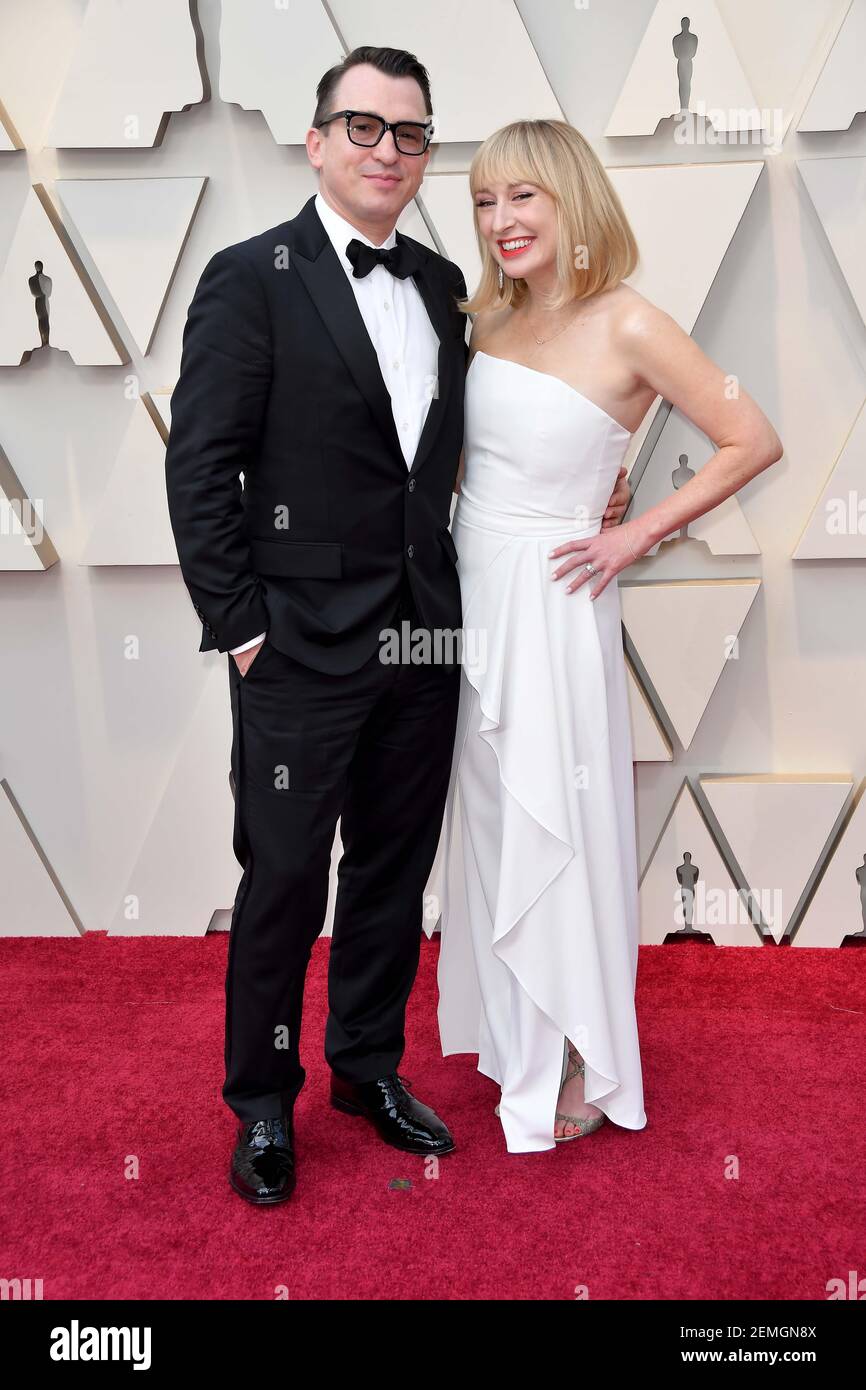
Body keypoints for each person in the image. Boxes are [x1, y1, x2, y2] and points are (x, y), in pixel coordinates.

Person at [165, 51, 632, 1204]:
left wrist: (600, 488)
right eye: (362, 127)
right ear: (316, 142)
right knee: (282, 877)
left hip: (429, 642)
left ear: (425, 157)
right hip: (295, 646)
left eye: (410, 135)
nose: (386, 150)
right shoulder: (247, 276)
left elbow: (504, 432)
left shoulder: (443, 287)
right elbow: (200, 466)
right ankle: (262, 1105)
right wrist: (241, 628)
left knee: (390, 868)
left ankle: (365, 1069)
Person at [437, 118, 783, 1153]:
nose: (499, 221)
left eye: (521, 198)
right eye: (485, 201)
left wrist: (630, 531)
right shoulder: (487, 322)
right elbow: (478, 465)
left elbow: (750, 435)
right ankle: (518, 1040)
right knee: (500, 821)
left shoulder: (630, 323)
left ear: (569, 199)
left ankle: (588, 1054)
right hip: (478, 601)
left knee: (564, 827)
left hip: (556, 599)